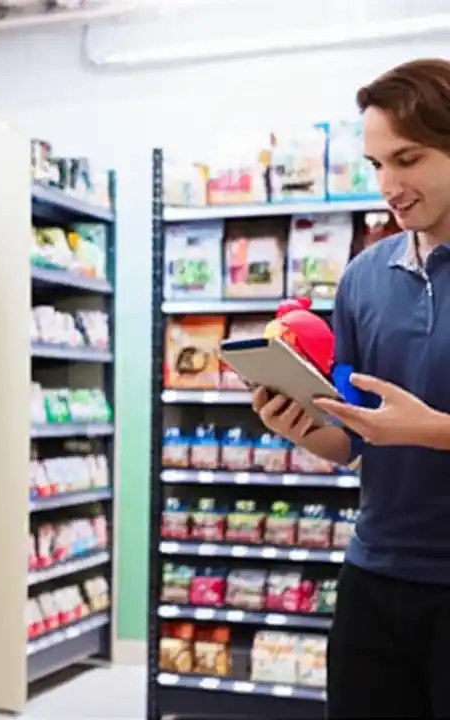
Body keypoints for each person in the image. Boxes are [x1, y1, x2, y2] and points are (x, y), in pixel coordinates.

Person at [253, 58, 450, 719]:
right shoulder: (363, 279)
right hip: (374, 574)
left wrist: (432, 430)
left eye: (409, 159)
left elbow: (409, 428)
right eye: (375, 165)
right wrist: (305, 426)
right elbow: (356, 439)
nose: (389, 185)